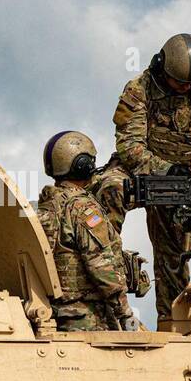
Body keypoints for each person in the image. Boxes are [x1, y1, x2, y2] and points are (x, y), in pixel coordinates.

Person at [93, 33, 191, 329]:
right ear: (162, 67)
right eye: (180, 82)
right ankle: (101, 281)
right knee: (111, 189)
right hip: (136, 170)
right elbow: (130, 146)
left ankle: (175, 326)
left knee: (175, 256)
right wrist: (165, 169)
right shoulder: (139, 90)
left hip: (181, 178)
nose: (186, 88)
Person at [35, 131, 131, 331]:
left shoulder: (47, 205)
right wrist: (124, 311)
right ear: (83, 165)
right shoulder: (83, 208)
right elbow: (100, 265)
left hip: (58, 314)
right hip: (89, 317)